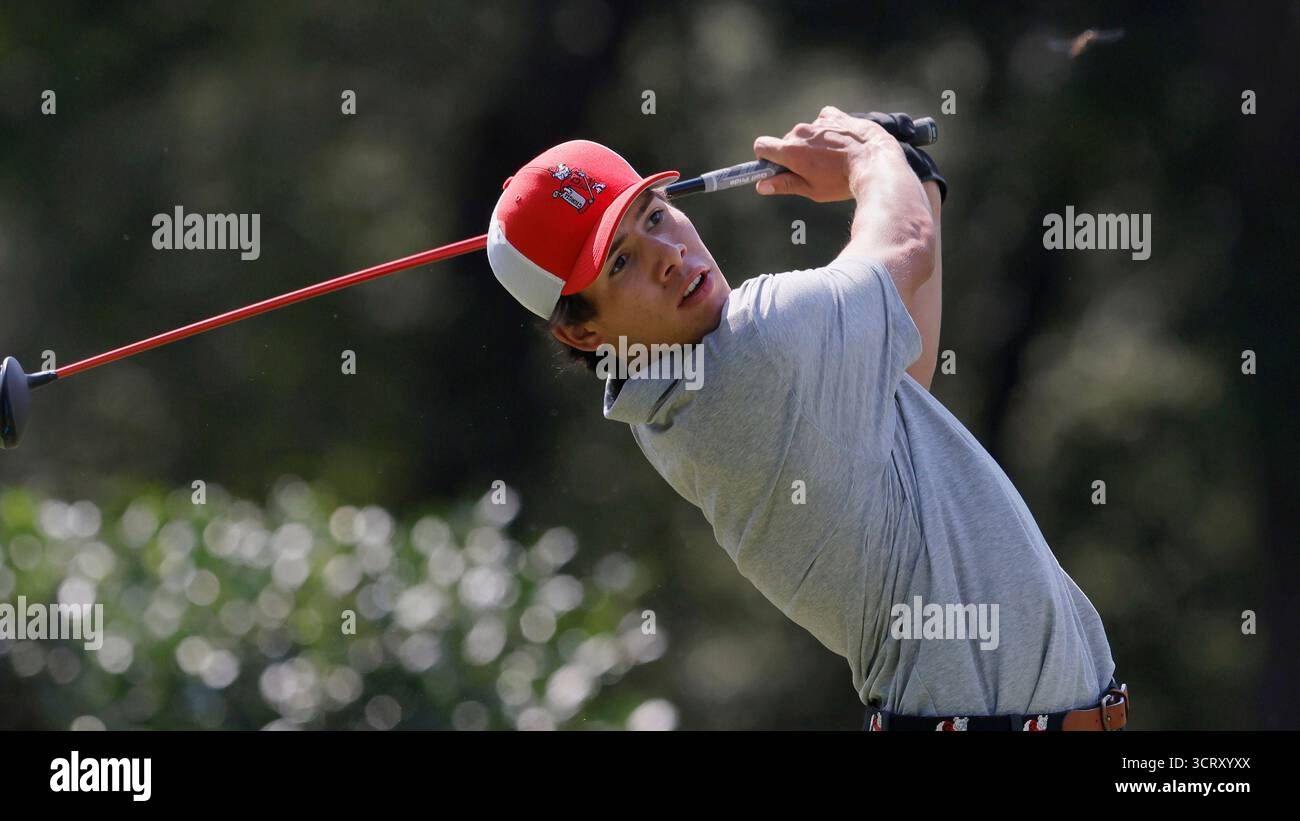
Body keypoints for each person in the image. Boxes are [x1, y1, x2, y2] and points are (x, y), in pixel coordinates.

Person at [486, 106, 1127, 730]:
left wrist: (912, 179)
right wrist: (868, 153)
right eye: (620, 261)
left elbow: (906, 380)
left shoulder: (673, 395)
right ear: (586, 334)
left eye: (656, 216)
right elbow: (905, 242)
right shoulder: (752, 348)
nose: (668, 255)